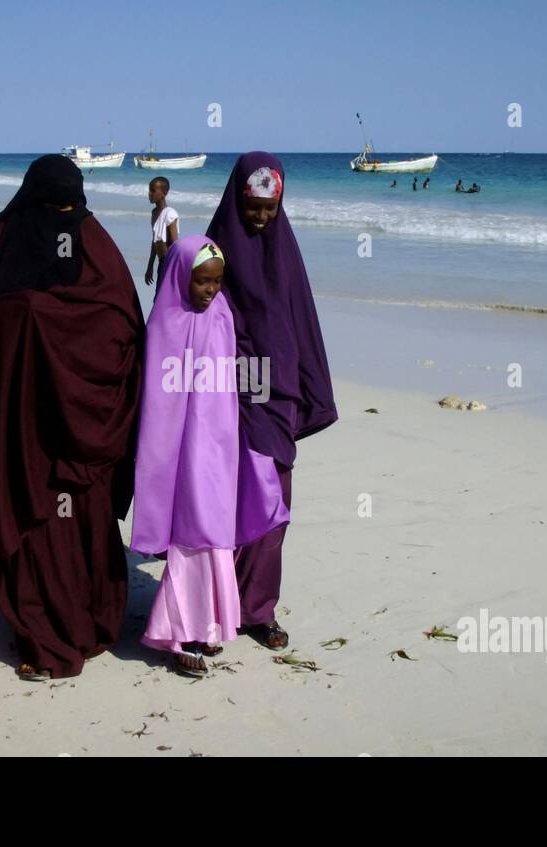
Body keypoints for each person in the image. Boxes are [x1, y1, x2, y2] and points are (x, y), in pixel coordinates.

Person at [0, 155, 145, 681]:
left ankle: (92, 621)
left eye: (71, 204)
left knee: (82, 525)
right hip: (25, 432)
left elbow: (125, 323)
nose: (64, 214)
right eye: (53, 204)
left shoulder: (94, 244)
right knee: (39, 529)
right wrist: (26, 324)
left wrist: (46, 328)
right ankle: (44, 635)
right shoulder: (0, 245)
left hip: (84, 439)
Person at [205, 152, 337, 651]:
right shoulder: (213, 248)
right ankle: (214, 607)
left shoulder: (286, 254)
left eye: (269, 209)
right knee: (219, 503)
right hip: (221, 394)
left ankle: (258, 609)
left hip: (272, 397)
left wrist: (305, 388)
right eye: (252, 207)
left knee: (272, 503)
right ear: (236, 198)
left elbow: (301, 323)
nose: (260, 218)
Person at [133, 236, 241, 677]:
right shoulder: (165, 323)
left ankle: (209, 622)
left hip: (216, 445)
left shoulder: (222, 317)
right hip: (178, 451)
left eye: (216, 282)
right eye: (201, 281)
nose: (210, 290)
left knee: (213, 526)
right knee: (189, 532)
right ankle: (177, 632)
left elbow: (228, 385)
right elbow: (159, 402)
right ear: (180, 276)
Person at [144, 176, 178, 288]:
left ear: (164, 193)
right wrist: (150, 266)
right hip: (161, 262)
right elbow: (155, 241)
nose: (150, 194)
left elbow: (175, 244)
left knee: (162, 297)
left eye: (153, 191)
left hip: (168, 262)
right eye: (149, 190)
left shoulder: (170, 214)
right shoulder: (154, 213)